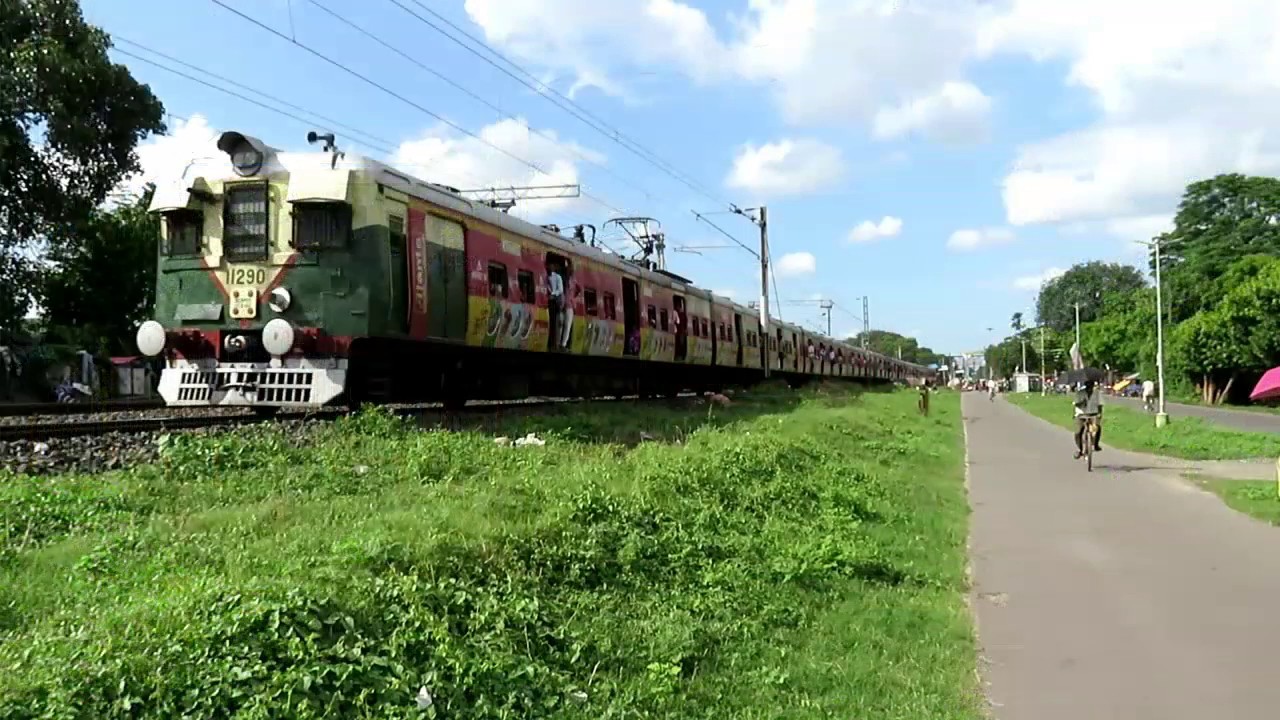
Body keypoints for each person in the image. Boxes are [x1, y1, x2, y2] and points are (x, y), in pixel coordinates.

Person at [1072, 380, 1104, 458]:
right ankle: (1080, 450)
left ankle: (1096, 445)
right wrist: (1082, 402)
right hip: (1081, 414)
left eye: (1091, 385)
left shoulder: (1097, 393)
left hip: (1093, 414)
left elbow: (1100, 405)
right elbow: (1075, 403)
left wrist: (1100, 414)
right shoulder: (1080, 393)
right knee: (1078, 432)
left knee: (1097, 427)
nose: (1090, 387)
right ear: (1086, 385)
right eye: (1088, 385)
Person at [547, 262, 564, 351]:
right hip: (547, 300)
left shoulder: (558, 277)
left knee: (553, 323)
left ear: (553, 267)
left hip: (553, 301)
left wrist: (553, 294)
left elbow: (560, 290)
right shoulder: (545, 276)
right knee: (548, 321)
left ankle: (552, 343)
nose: (549, 267)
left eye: (551, 265)